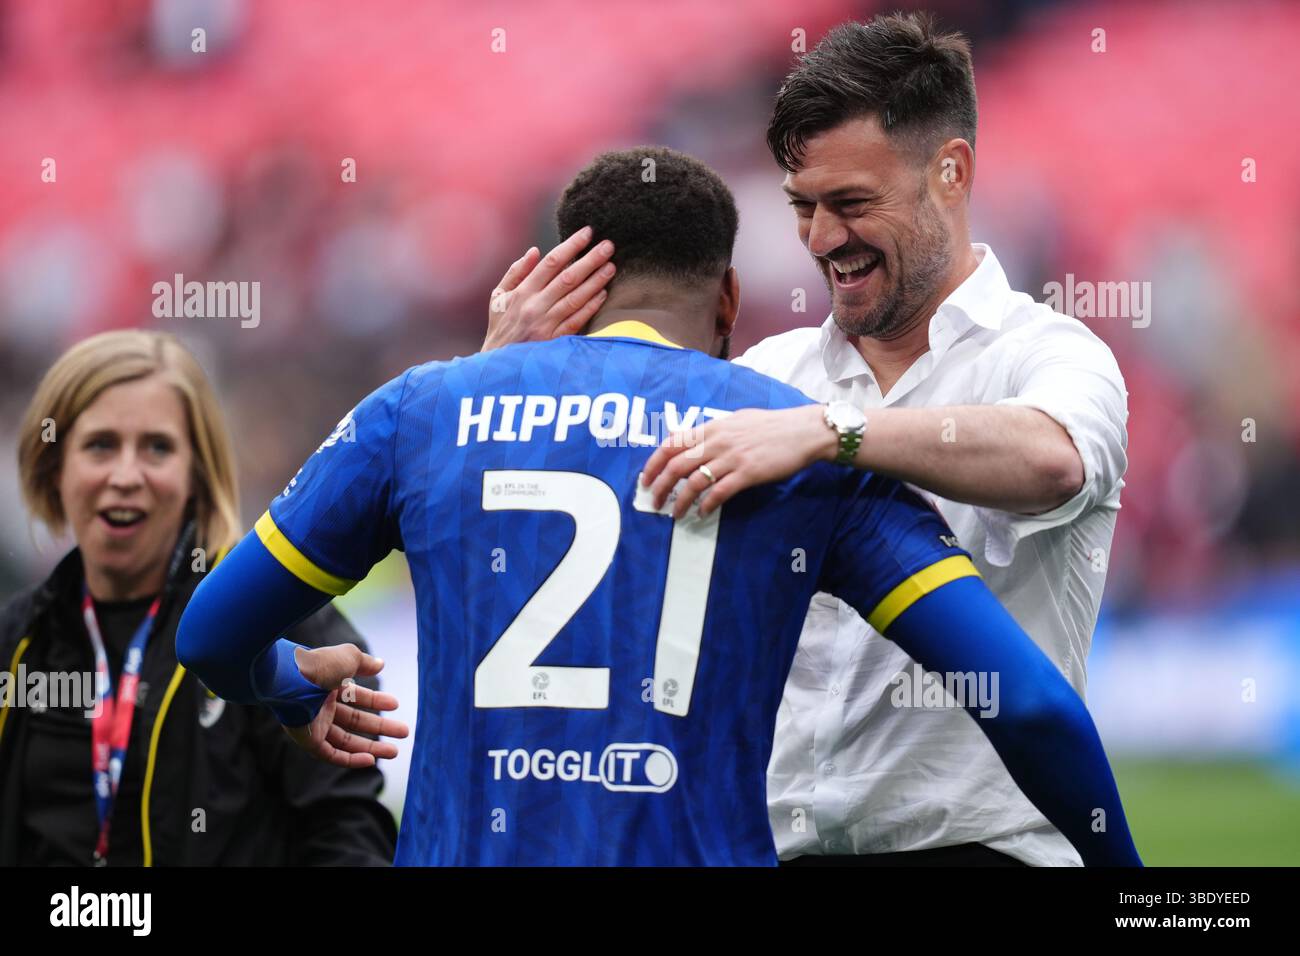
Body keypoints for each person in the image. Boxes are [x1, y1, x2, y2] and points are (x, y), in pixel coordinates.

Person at [177, 147, 1140, 867]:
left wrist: (288, 686)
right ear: (727, 297)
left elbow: (211, 630)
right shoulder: (794, 440)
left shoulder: (425, 410)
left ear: (567, 283)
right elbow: (1029, 704)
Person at [484, 13, 1128, 866]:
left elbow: (1052, 459)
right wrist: (494, 382)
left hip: (984, 848)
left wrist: (834, 432)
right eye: (803, 207)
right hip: (773, 849)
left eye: (852, 204)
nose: (822, 240)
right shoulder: (769, 373)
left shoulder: (1050, 354)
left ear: (951, 172)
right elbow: (597, 539)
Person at [0, 330, 397, 866]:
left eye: (157, 448)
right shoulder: (16, 641)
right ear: (54, 467)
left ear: (197, 476)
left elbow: (346, 840)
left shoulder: (281, 626)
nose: (125, 476)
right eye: (100, 445)